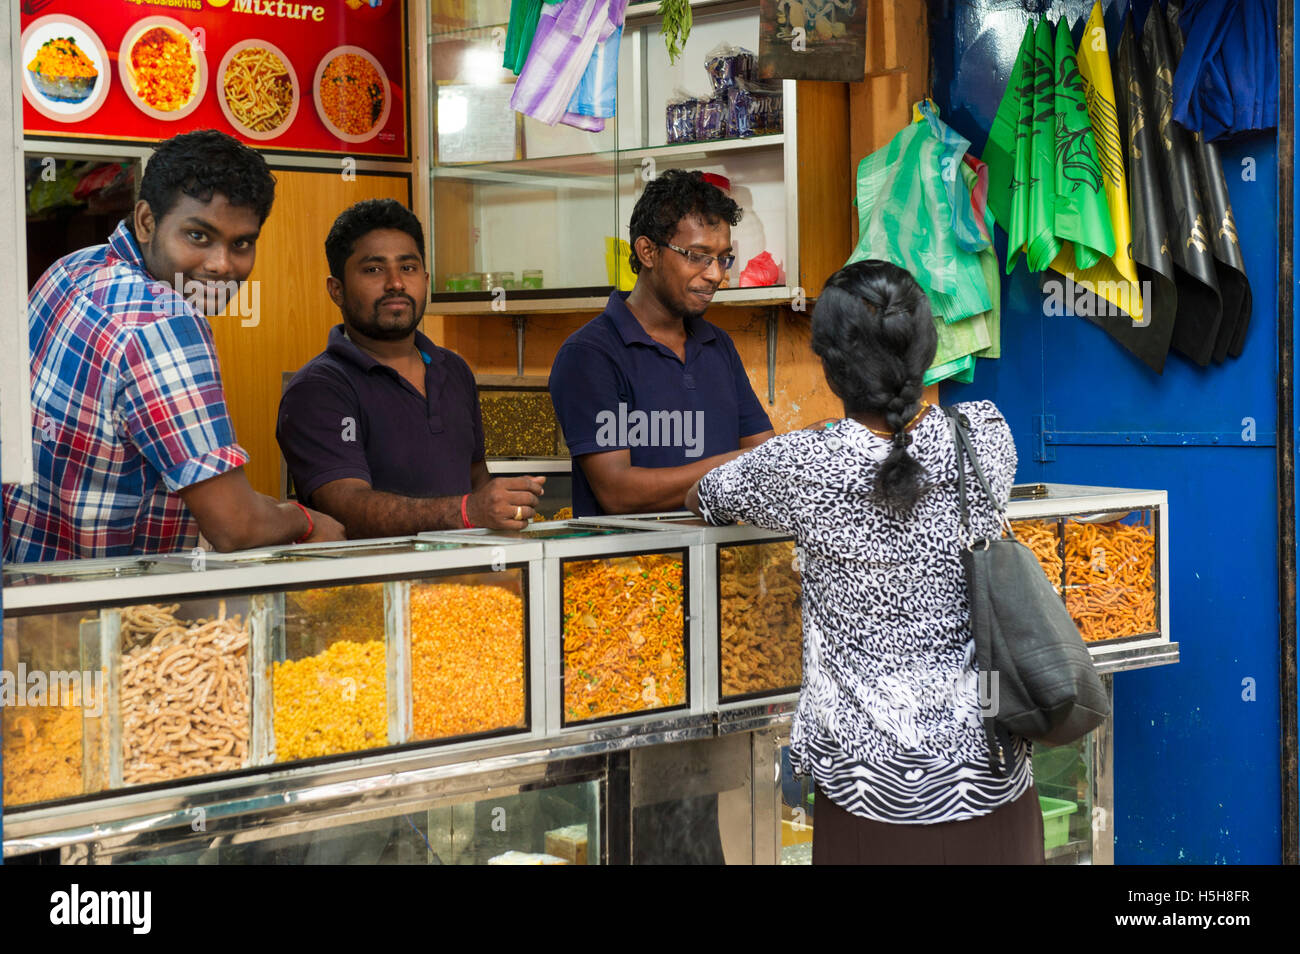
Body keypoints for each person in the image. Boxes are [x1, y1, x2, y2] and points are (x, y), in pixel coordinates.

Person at [686, 260, 1044, 865]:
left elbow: (708, 497)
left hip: (871, 799)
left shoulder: (804, 463)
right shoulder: (985, 434)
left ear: (830, 364)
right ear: (928, 346)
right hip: (995, 779)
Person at [3, 130, 344, 563]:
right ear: (147, 221)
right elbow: (235, 526)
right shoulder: (166, 326)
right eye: (199, 236)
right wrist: (306, 520)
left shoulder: (72, 268)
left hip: (27, 587)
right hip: (113, 606)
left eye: (242, 243)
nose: (222, 265)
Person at [276, 199, 544, 536]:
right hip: (375, 585)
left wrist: (505, 505)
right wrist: (467, 511)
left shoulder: (454, 370)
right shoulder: (318, 389)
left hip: (466, 583)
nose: (396, 283)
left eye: (408, 267)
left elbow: (477, 479)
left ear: (425, 278)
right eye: (373, 269)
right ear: (337, 290)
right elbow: (345, 507)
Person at [549, 169, 774, 517]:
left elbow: (763, 458)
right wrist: (738, 464)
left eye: (722, 258)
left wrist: (800, 449)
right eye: (697, 256)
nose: (716, 274)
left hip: (718, 561)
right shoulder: (591, 355)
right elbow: (618, 492)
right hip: (631, 567)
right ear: (647, 252)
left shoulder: (718, 345)